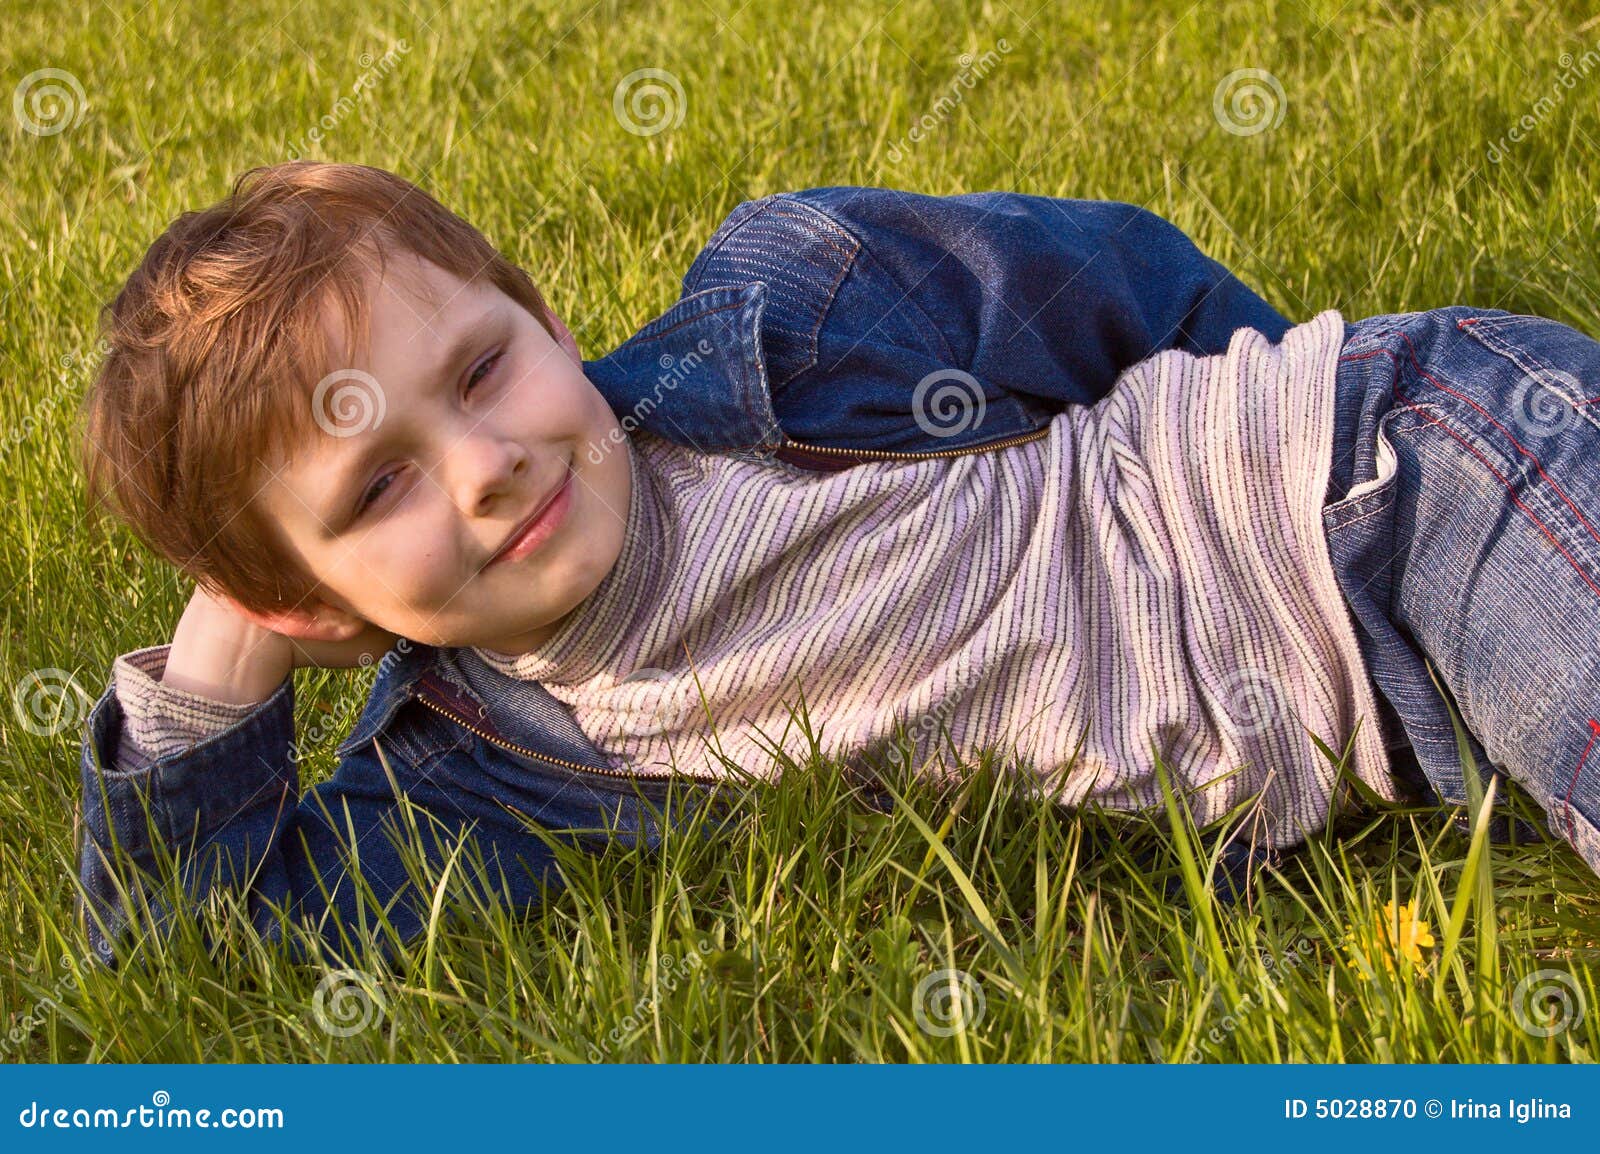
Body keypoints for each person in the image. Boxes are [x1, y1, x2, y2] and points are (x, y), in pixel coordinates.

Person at [72, 160, 1578, 971]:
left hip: (1399, 484)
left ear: (540, 320)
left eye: (482, 369)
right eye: (378, 483)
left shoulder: (799, 310)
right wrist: (226, 650)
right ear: (315, 598)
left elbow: (1110, 278)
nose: (486, 465)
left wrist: (1295, 412)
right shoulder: (493, 770)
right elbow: (199, 944)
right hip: (1388, 707)